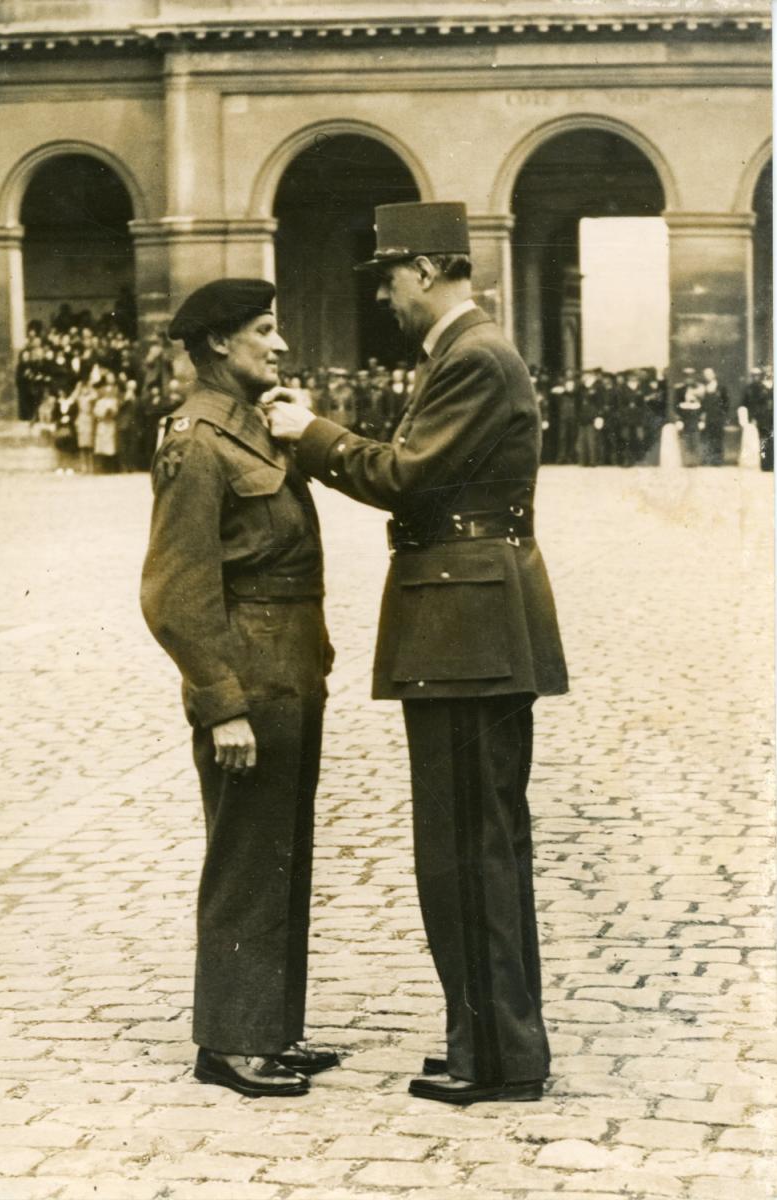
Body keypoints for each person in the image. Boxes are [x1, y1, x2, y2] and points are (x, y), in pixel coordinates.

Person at [268, 202, 568, 1106]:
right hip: (466, 622)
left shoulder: (471, 356)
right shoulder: (466, 352)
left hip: (464, 626)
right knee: (478, 842)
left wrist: (309, 434)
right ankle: (493, 1040)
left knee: (465, 846)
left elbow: (402, 475)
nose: (387, 296)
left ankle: (495, 1057)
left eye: (392, 277)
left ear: (430, 269)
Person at [140, 278, 338, 1100]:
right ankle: (229, 1041)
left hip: (290, 668)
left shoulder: (251, 429)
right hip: (247, 675)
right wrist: (220, 703)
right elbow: (174, 592)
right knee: (246, 855)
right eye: (265, 329)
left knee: (279, 850)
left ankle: (271, 1027)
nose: (280, 343)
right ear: (219, 343)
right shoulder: (197, 442)